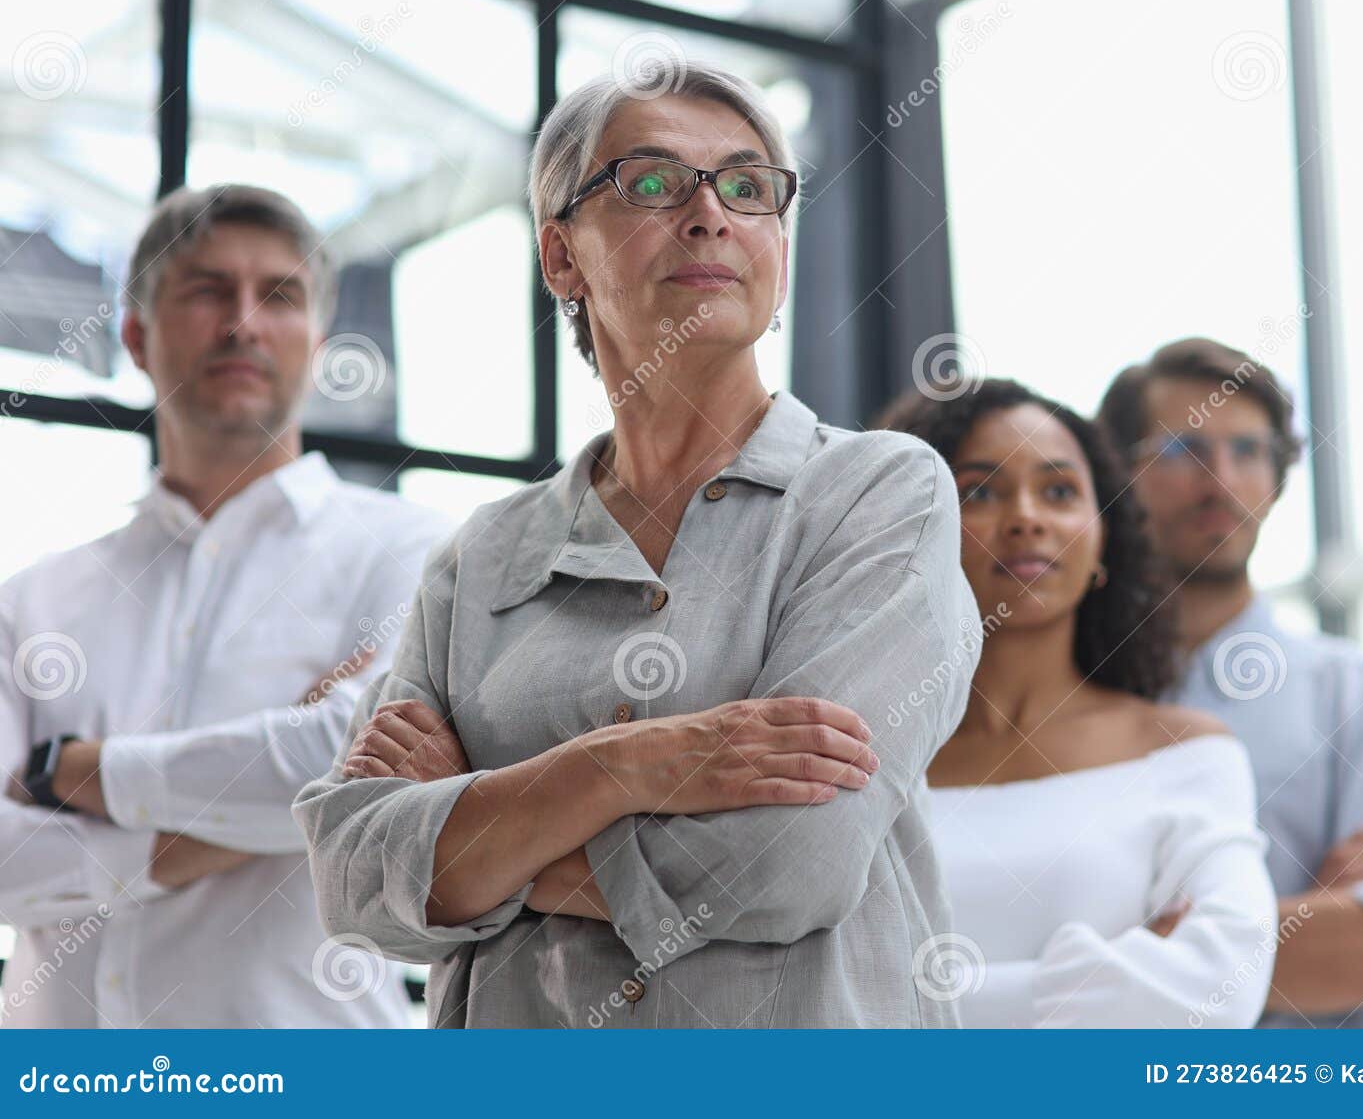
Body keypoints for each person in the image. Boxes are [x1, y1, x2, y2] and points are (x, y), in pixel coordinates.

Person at [293, 60, 981, 1028]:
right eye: (652, 183)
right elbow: (352, 874)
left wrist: (476, 827)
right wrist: (623, 766)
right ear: (562, 258)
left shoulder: (877, 492)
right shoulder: (482, 556)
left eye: (747, 187)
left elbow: (790, 862)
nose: (710, 214)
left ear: (780, 245)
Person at [0, 184, 447, 1026]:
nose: (243, 322)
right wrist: (231, 818)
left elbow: (362, 768)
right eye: (207, 290)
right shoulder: (34, 600)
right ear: (136, 335)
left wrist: (70, 771)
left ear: (316, 342)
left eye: (279, 296)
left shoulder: (416, 554)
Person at [1099, 336, 1363, 1026]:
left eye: (1249, 451)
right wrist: (1304, 916)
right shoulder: (1058, 702)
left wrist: (1135, 949)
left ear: (1276, 479)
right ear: (1118, 478)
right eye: (1184, 450)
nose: (1221, 479)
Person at [878, 378, 1276, 1027]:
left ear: (1102, 540)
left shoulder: (1188, 752)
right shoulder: (861, 758)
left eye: (1059, 491)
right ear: (915, 529)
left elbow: (1220, 991)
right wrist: (1110, 978)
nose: (1027, 517)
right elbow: (805, 1001)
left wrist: (911, 1006)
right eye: (979, 491)